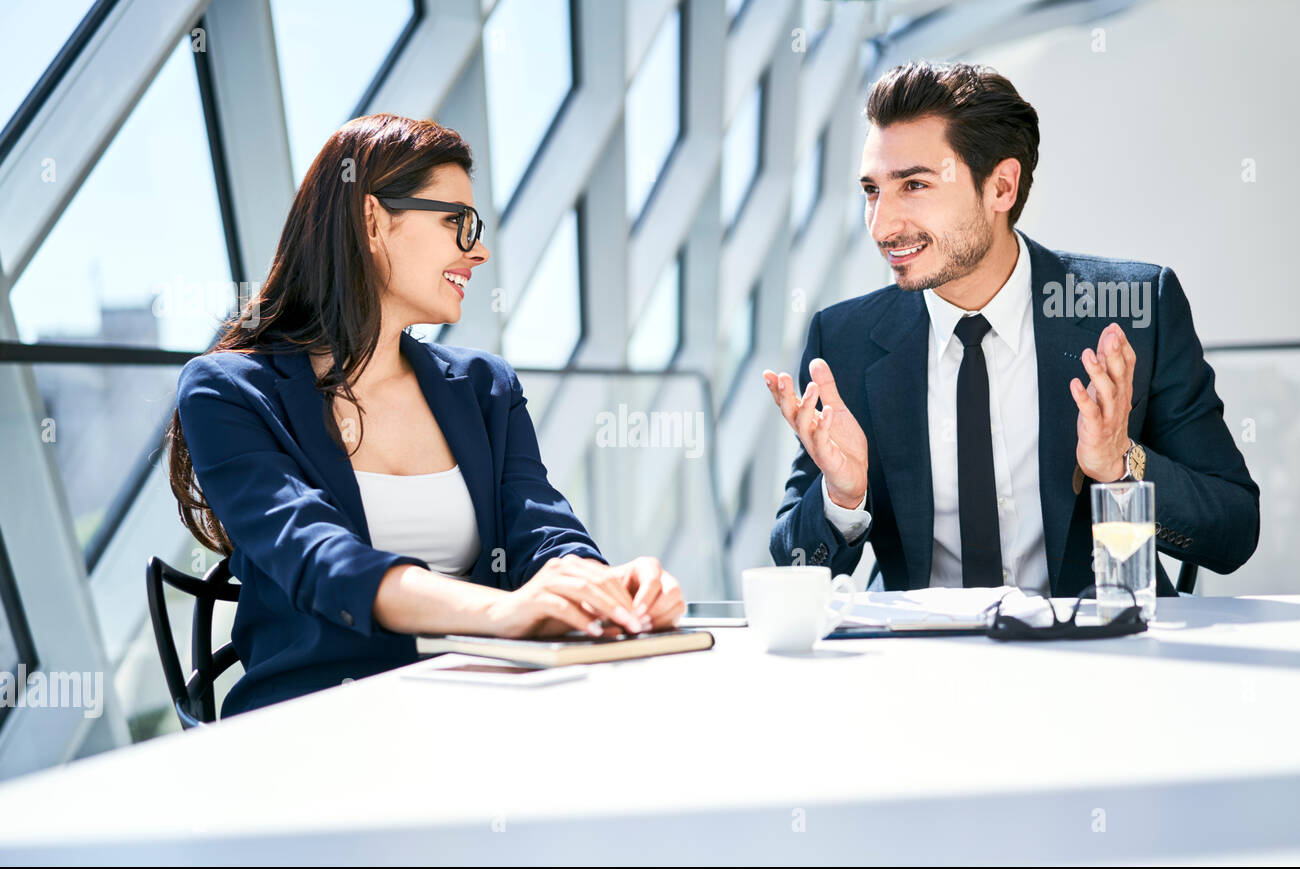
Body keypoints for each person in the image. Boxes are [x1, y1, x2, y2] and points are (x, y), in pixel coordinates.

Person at [169, 114, 683, 718]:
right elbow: (321, 561)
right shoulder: (230, 391)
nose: (479, 250)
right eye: (455, 222)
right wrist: (502, 613)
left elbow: (542, 529)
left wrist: (600, 588)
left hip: (480, 707)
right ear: (374, 221)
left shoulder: (485, 387)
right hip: (317, 726)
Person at [765, 61, 1259, 596]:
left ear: (1001, 187)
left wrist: (1122, 468)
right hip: (918, 665)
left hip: (1101, 658)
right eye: (871, 190)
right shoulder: (845, 341)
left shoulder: (1133, 309)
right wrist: (841, 499)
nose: (882, 225)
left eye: (914, 185)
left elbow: (1232, 532)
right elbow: (793, 568)